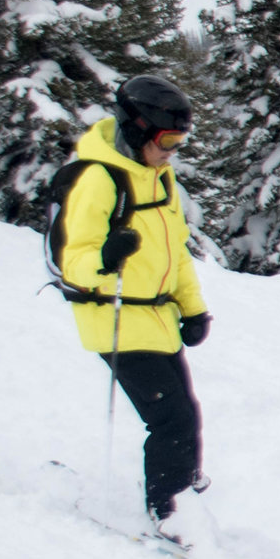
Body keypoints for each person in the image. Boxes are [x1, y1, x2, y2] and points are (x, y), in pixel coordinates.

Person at [57, 75, 213, 535]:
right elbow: (73, 260)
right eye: (167, 139)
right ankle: (168, 510)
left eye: (181, 141)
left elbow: (176, 251)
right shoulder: (97, 178)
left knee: (185, 408)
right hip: (115, 316)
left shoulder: (159, 176)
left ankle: (182, 481)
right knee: (171, 417)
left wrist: (193, 308)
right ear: (138, 129)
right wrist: (104, 258)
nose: (173, 150)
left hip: (157, 317)